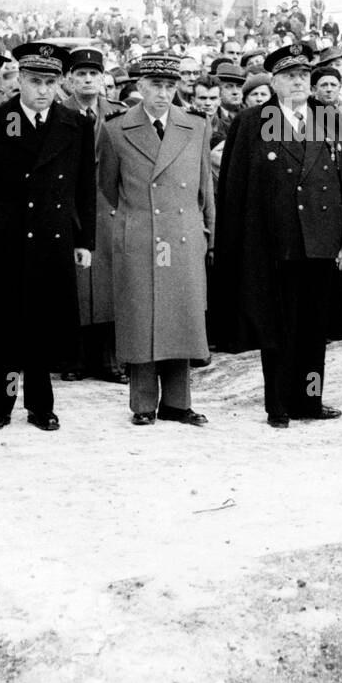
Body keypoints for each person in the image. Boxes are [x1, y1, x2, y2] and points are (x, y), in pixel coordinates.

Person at [215, 45, 342, 428]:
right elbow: (236, 190)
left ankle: (309, 399)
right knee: (278, 328)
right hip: (276, 244)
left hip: (321, 243)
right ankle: (278, 405)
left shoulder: (331, 118)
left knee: (315, 330)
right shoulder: (253, 122)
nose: (299, 81)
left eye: (304, 75)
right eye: (290, 76)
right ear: (274, 81)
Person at [0, 43, 95, 432]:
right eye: (35, 81)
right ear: (19, 80)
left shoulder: (76, 125)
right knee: (4, 328)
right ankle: (2, 401)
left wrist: (85, 241)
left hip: (52, 242)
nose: (43, 90)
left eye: (51, 82)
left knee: (43, 325)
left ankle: (40, 403)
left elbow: (85, 188)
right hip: (4, 243)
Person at [99, 54, 215, 427]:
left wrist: (207, 234)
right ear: (140, 87)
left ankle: (178, 404)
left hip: (182, 235)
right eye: (155, 86)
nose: (163, 94)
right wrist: (135, 222)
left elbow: (203, 187)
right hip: (142, 233)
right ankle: (143, 404)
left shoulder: (196, 125)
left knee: (182, 315)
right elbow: (108, 187)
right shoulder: (117, 129)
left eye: (169, 86)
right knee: (142, 317)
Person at [60, 47, 127, 385]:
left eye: (93, 74)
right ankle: (74, 358)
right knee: (75, 286)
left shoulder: (118, 114)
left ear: (103, 79)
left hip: (109, 206)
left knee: (108, 287)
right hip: (70, 207)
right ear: (68, 80)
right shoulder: (58, 113)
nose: (87, 80)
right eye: (80, 74)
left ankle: (110, 360)